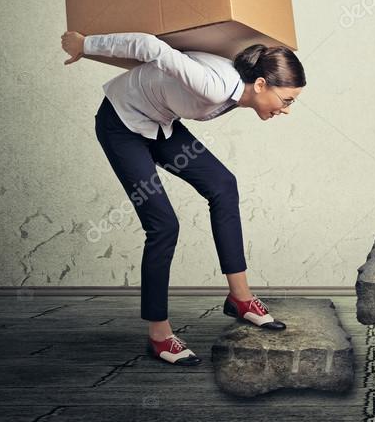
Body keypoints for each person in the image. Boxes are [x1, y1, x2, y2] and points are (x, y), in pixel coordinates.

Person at [60, 30, 306, 365]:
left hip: (162, 123)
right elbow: (149, 46)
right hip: (121, 125)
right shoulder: (216, 85)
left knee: (223, 185)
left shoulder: (240, 90)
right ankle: (159, 335)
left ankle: (240, 299)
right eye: (287, 100)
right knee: (164, 226)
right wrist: (85, 45)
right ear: (261, 84)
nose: (287, 110)